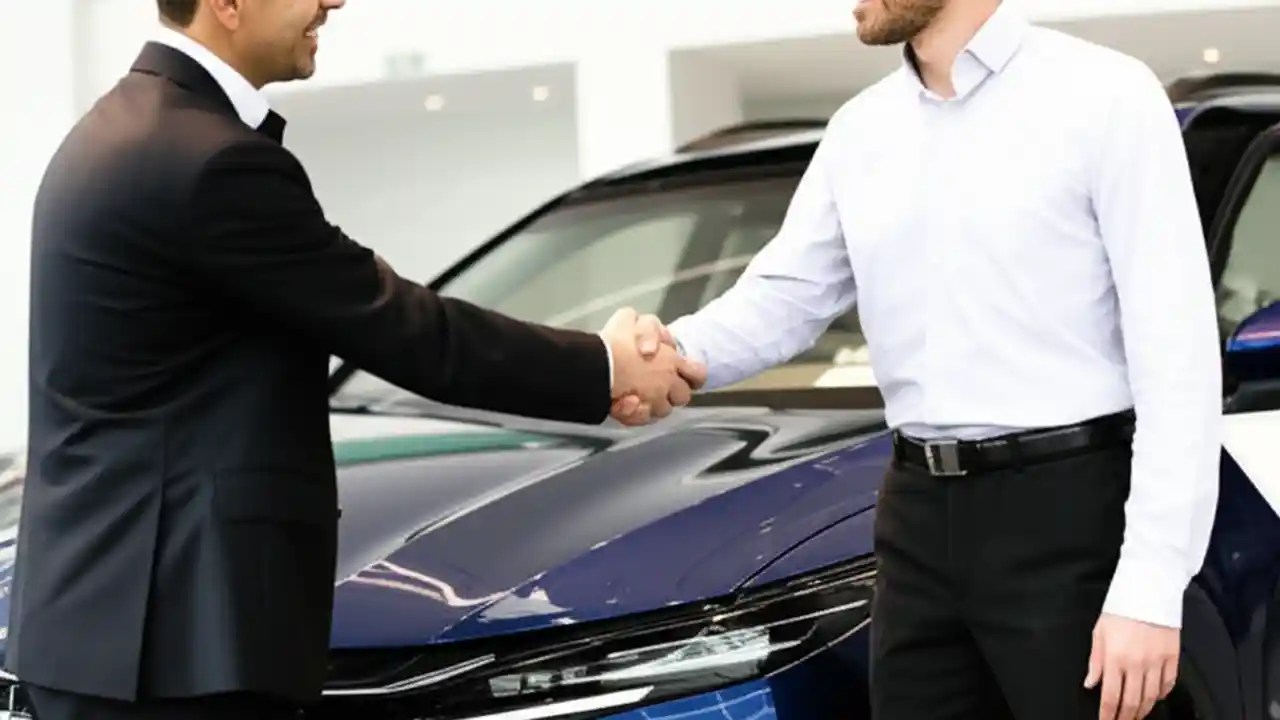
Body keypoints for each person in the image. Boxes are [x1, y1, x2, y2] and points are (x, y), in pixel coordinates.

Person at [7, 1, 705, 718]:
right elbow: (403, 328)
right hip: (178, 649)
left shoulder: (113, 131)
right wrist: (607, 366)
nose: (333, 1)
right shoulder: (208, 159)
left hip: (102, 627)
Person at [609, 0, 1222, 718]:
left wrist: (1151, 588)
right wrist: (666, 353)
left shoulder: (1106, 95)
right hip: (916, 519)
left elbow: (1176, 354)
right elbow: (784, 299)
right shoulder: (861, 130)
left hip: (1070, 512)